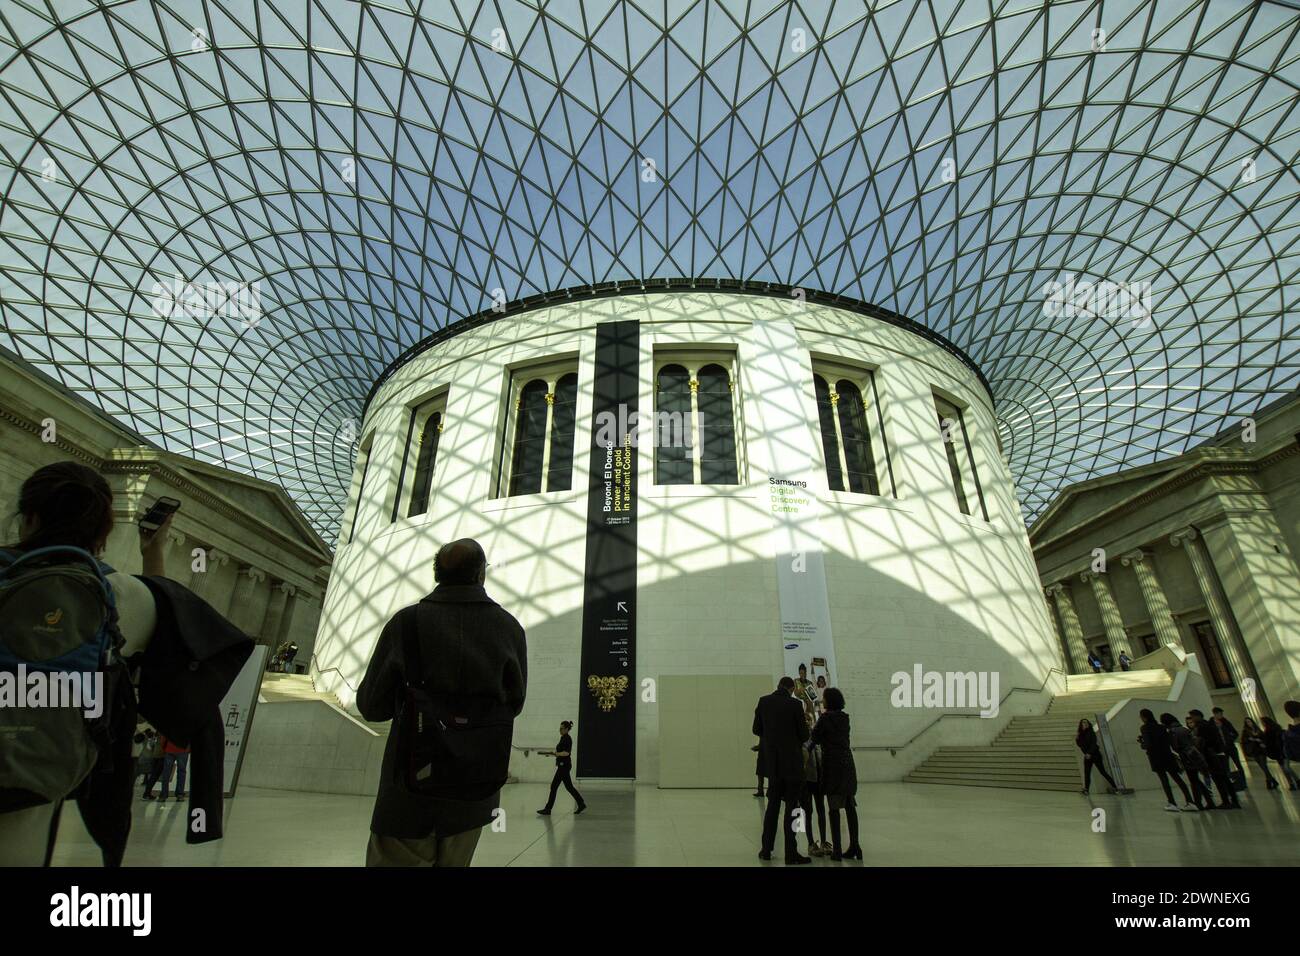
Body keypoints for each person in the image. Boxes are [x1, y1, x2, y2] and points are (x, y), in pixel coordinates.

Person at [356, 538, 527, 867]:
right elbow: (515, 703)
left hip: (409, 789)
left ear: (437, 574)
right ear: (481, 575)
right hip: (474, 790)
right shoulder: (510, 628)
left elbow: (371, 707)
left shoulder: (406, 623)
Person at [753, 677, 811, 865]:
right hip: (792, 765)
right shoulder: (795, 704)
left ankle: (766, 849)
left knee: (772, 807)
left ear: (778, 686)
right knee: (793, 807)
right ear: (791, 688)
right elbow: (803, 735)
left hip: (773, 765)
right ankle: (791, 852)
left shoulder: (764, 701)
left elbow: (756, 729)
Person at [810, 687, 861, 861]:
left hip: (832, 764)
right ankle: (855, 846)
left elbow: (814, 738)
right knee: (849, 804)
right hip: (847, 763)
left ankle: (837, 850)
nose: (822, 701)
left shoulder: (825, 719)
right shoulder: (844, 718)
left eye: (824, 698)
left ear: (829, 701)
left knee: (833, 807)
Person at [1139, 710, 1195, 811]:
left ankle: (1172, 802)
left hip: (1156, 757)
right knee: (1177, 779)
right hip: (1167, 755)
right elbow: (1169, 741)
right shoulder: (1162, 727)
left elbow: (1148, 744)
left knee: (1164, 780)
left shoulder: (1145, 728)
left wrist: (1142, 743)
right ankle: (1190, 801)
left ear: (1144, 717)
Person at [1188, 709, 1240, 809]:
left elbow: (1203, 742)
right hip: (1216, 755)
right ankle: (1231, 800)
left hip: (1211, 756)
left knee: (1219, 779)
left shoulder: (1202, 727)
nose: (1192, 719)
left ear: (1198, 716)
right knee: (1222, 778)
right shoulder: (1207, 725)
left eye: (1193, 716)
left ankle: (1227, 801)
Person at [538, 720, 585, 816]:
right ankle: (581, 803)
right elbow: (561, 752)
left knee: (555, 786)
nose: (560, 730)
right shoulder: (563, 737)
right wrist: (554, 754)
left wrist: (556, 753)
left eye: (562, 728)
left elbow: (567, 753)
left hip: (564, 766)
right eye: (559, 728)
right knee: (567, 787)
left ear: (567, 729)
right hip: (562, 765)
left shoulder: (567, 739)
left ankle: (548, 809)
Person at [797, 714, 828, 856]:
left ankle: (824, 841)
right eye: (805, 721)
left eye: (809, 720)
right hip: (807, 780)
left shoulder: (818, 740)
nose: (808, 723)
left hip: (818, 779)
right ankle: (810, 843)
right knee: (808, 811)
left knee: (821, 809)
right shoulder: (801, 740)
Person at [1075, 718, 1118, 794]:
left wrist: (1089, 753)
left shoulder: (1091, 732)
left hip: (1095, 755)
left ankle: (1115, 786)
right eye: (1083, 723)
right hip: (1087, 756)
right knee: (1087, 773)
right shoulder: (1081, 734)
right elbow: (1080, 745)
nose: (1084, 724)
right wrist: (1077, 739)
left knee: (1102, 771)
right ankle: (1086, 790)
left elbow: (1093, 744)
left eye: (1086, 722)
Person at [1239, 718, 1278, 790]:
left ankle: (1270, 781)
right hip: (1254, 751)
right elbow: (1243, 741)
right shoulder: (1245, 732)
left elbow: (1264, 737)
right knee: (1262, 766)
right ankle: (1271, 780)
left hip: (1261, 750)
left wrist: (1261, 741)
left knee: (1264, 766)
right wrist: (1252, 740)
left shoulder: (1258, 729)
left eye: (1249, 721)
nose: (1249, 723)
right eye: (1247, 722)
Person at [1262, 715, 1299, 790]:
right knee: (1285, 768)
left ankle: (1295, 782)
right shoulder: (1274, 729)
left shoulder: (1271, 731)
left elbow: (1270, 742)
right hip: (1279, 752)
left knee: (1285, 768)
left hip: (1281, 752)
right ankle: (1293, 782)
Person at [1211, 707, 1245, 778]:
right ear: (1215, 714)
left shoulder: (1225, 722)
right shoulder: (1211, 724)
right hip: (1221, 748)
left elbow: (1235, 733)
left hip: (1230, 747)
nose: (1221, 715)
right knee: (1226, 766)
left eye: (1221, 714)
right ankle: (1230, 781)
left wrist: (1230, 739)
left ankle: (1242, 779)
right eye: (1219, 714)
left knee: (1238, 763)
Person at [155, 736, 190, 802]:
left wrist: (163, 747)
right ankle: (180, 795)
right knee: (181, 773)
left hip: (170, 749)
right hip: (183, 750)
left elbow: (163, 737)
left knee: (166, 773)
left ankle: (163, 795)